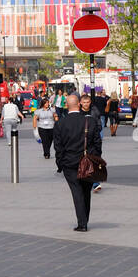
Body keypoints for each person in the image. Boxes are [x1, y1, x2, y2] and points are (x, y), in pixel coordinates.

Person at [54, 93, 101, 231]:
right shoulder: (90, 121)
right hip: (87, 161)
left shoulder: (60, 123)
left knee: (77, 192)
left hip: (70, 163)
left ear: (66, 105)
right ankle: (85, 218)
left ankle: (82, 223)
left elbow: (58, 146)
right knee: (86, 192)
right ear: (79, 104)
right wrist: (96, 158)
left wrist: (60, 163)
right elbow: (97, 143)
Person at [78, 92, 104, 192]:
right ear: (80, 103)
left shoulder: (94, 111)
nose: (86, 104)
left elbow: (99, 124)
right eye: (84, 102)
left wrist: (96, 131)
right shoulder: (78, 113)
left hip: (92, 141)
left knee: (93, 161)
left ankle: (96, 183)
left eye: (88, 102)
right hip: (81, 142)